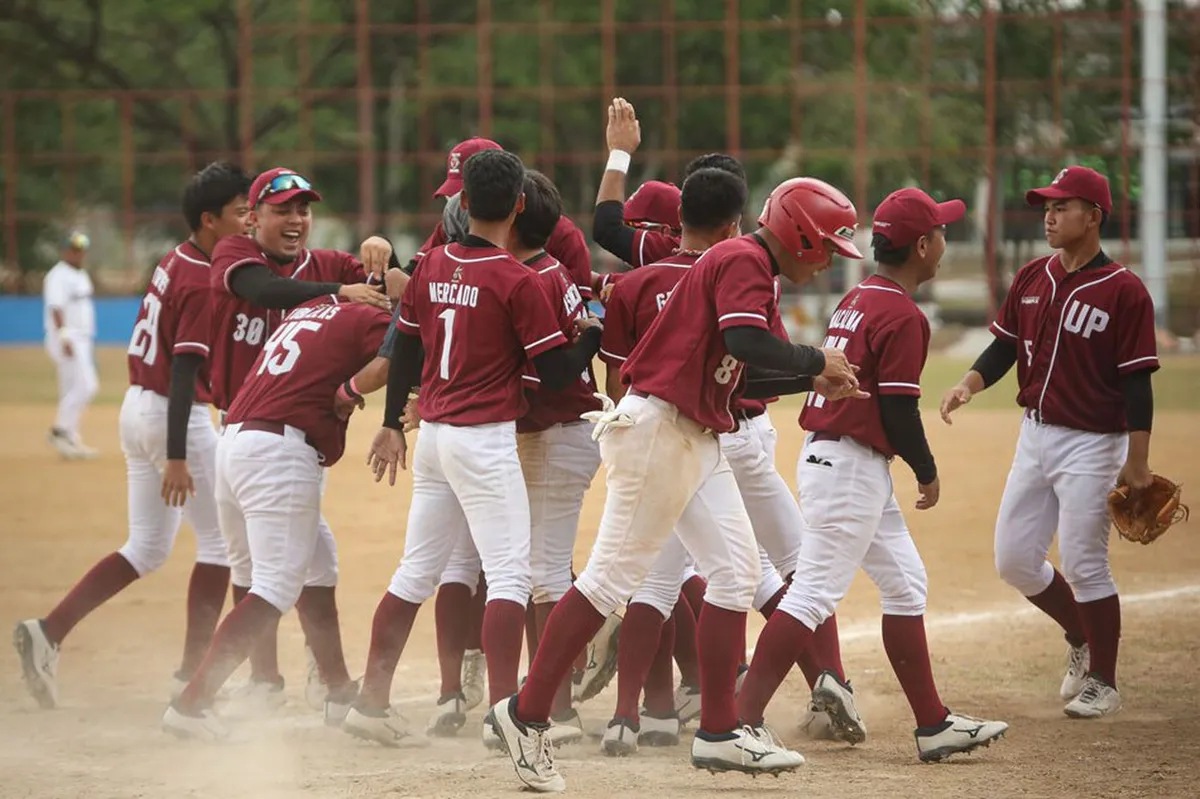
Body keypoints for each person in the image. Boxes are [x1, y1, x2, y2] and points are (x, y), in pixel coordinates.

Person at [488, 176, 865, 792]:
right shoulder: (744, 257)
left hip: (692, 431)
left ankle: (719, 732)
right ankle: (525, 716)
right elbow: (747, 341)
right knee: (611, 579)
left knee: (737, 573)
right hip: (660, 428)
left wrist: (810, 378)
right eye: (824, 246)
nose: (825, 260)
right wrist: (813, 359)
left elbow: (739, 374)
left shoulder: (745, 262)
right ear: (798, 232)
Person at [736, 187, 1009, 763]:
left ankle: (933, 724)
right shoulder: (902, 314)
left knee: (907, 585)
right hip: (850, 466)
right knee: (809, 595)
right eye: (940, 234)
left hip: (841, 459)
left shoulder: (861, 296)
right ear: (923, 246)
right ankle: (738, 721)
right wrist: (928, 471)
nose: (944, 243)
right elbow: (897, 409)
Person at [344, 149, 603, 748]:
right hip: (483, 440)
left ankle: (370, 700)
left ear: (460, 203)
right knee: (512, 577)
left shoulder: (432, 263)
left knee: (415, 572)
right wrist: (592, 330)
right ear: (517, 207)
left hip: (433, 435)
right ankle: (505, 714)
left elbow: (405, 347)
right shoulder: (514, 277)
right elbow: (557, 373)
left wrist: (389, 421)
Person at [595, 168, 851, 756]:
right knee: (784, 564)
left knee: (662, 580)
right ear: (736, 221)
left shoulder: (642, 274)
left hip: (660, 423)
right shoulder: (744, 265)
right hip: (722, 428)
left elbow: (607, 228)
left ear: (665, 226)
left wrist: (618, 156)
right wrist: (815, 364)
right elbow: (752, 353)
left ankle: (636, 717)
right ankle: (820, 686)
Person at [14, 164, 251, 709]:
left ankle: (48, 632)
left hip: (136, 407)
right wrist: (175, 455)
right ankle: (193, 675)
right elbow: (185, 372)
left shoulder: (177, 256)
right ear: (210, 219)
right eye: (241, 211)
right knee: (219, 547)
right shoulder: (200, 277)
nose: (249, 218)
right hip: (176, 416)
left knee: (145, 547)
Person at [940, 166, 1160, 719]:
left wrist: (1138, 460)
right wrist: (969, 383)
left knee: (1086, 563)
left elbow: (1137, 379)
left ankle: (1104, 681)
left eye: (1062, 206)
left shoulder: (1124, 291)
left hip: (1094, 444)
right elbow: (1004, 348)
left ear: (1094, 216)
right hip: (1035, 435)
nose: (1050, 215)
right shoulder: (1032, 277)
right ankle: (1080, 637)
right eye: (1047, 206)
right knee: (1014, 558)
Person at [162, 293, 394, 739]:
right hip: (279, 451)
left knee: (316, 563)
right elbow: (396, 358)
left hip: (233, 441)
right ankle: (193, 702)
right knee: (275, 587)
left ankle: (338, 690)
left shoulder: (310, 309)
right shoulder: (370, 316)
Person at [207, 166, 391, 712]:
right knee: (268, 572)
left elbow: (388, 286)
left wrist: (383, 253)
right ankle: (262, 681)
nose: (295, 220)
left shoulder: (329, 261)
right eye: (282, 209)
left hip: (284, 437)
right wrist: (340, 290)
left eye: (303, 209)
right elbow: (262, 288)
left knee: (307, 558)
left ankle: (326, 685)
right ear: (252, 216)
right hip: (250, 432)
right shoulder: (236, 254)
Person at [591, 97, 747, 271]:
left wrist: (619, 152)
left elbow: (607, 229)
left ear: (680, 214)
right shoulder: (756, 266)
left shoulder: (672, 257)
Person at [43, 231, 99, 458]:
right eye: (73, 249)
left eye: (81, 250)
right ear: (65, 250)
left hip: (82, 338)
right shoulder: (58, 275)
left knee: (70, 387)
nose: (78, 254)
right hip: (69, 338)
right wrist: (64, 336)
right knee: (87, 386)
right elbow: (56, 307)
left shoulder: (80, 274)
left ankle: (70, 438)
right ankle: (61, 430)